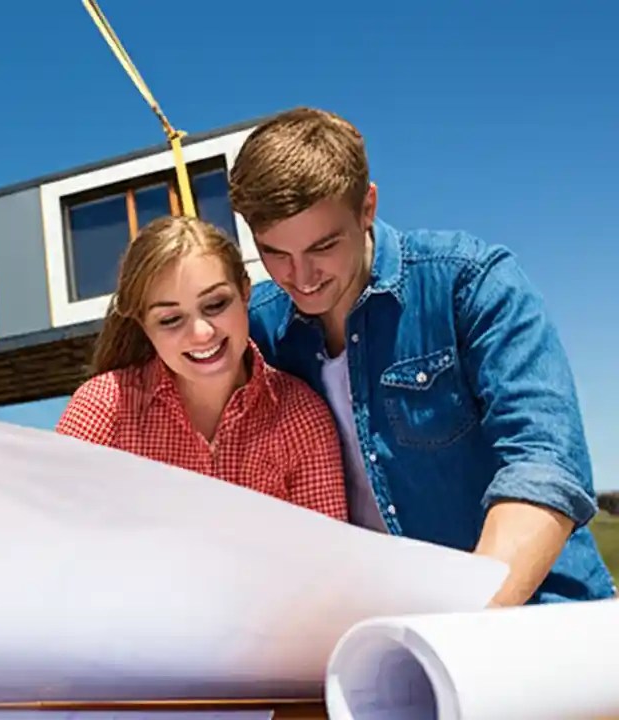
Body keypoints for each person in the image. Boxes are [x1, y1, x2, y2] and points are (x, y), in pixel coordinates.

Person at [0, 214, 352, 688]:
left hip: (267, 685)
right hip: (123, 686)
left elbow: (330, 590)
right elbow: (29, 559)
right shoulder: (103, 408)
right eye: (169, 319)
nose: (201, 333)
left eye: (216, 304)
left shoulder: (300, 417)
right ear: (143, 327)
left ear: (245, 292)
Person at [230, 107, 616, 607]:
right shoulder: (259, 327)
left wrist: (466, 627)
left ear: (367, 207)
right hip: (375, 628)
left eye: (324, 246)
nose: (300, 278)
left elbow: (544, 465)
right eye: (275, 254)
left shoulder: (473, 283)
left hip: (534, 615)